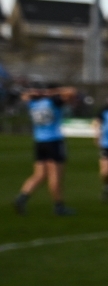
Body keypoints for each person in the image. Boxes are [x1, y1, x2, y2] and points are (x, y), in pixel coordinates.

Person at [15, 86, 78, 217]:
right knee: (55, 176)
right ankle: (59, 206)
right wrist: (51, 92)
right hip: (54, 140)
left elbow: (24, 96)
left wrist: (36, 93)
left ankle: (22, 198)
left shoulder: (33, 103)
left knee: (39, 174)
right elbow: (72, 91)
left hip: (39, 141)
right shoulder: (52, 101)